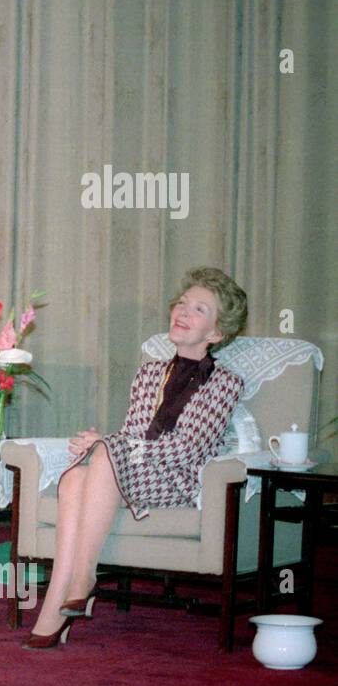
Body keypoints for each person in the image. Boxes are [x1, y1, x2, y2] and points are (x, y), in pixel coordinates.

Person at [24, 266, 248, 648]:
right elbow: (132, 432)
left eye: (198, 309)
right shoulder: (149, 373)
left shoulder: (226, 383)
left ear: (216, 333)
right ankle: (60, 599)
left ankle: (84, 577)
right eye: (181, 304)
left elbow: (188, 448)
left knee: (105, 451)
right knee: (77, 477)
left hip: (177, 479)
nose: (182, 312)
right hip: (130, 470)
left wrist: (108, 444)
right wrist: (112, 445)